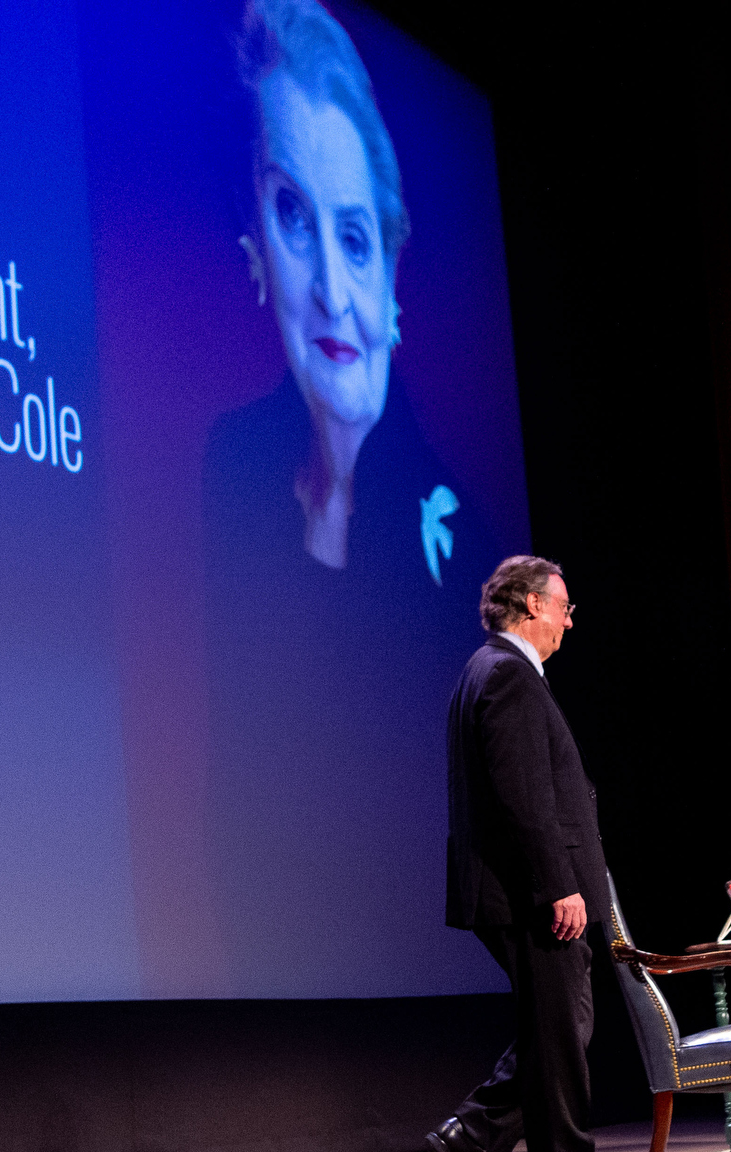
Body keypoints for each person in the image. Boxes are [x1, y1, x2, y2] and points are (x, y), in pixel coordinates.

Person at [201, 0, 497, 965]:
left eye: (357, 237)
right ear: (253, 242)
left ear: (392, 264)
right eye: (291, 215)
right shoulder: (232, 466)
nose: (330, 287)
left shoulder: (457, 515)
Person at [423, 557, 654, 1152]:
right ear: (530, 605)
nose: (570, 619)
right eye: (564, 605)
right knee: (560, 1032)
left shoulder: (487, 670)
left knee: (558, 1028)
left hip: (516, 889)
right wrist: (558, 884)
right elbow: (523, 794)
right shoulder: (508, 675)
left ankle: (475, 1132)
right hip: (530, 893)